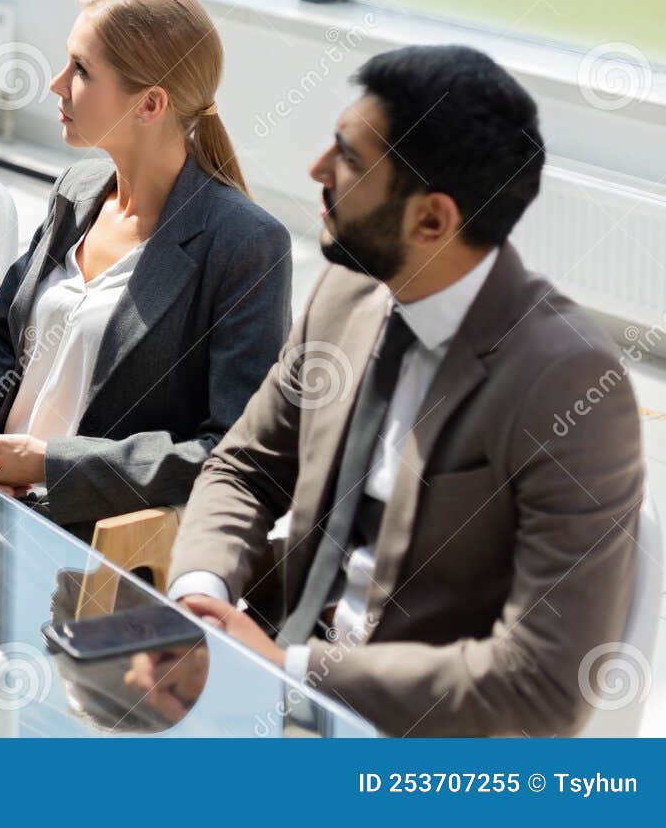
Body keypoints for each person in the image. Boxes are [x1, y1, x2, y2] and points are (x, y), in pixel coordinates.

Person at [166, 45, 646, 737]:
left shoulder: (570, 385)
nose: (316, 173)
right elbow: (246, 465)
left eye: (349, 160)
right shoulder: (346, 289)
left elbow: (543, 682)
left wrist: (292, 669)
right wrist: (200, 594)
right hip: (272, 695)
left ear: (431, 220)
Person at [0, 0, 291, 537]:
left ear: (150, 104)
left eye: (81, 71)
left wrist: (53, 463)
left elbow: (232, 454)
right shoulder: (78, 190)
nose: (55, 84)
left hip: (88, 546)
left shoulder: (244, 244)